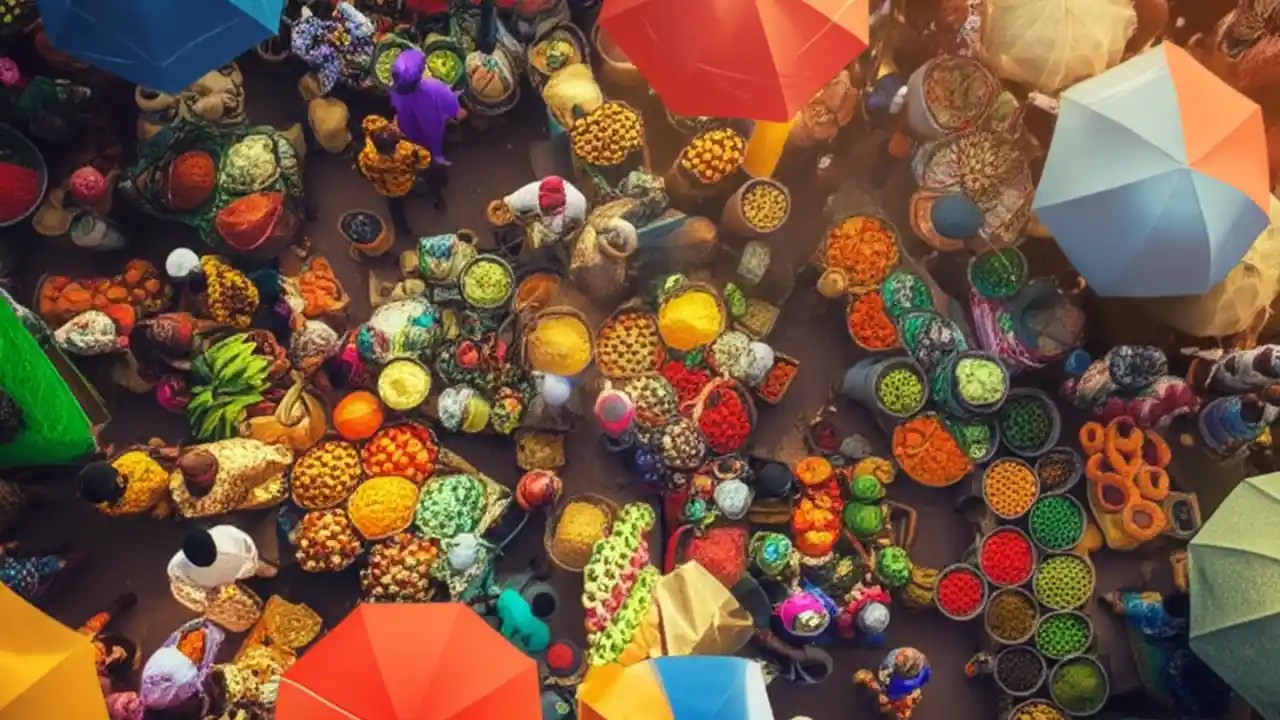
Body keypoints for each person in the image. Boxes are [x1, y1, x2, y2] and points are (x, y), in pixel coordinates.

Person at [390, 48, 466, 211]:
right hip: (432, 136)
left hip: (409, 135)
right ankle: (438, 193)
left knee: (420, 162)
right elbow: (457, 113)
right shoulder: (435, 88)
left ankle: (427, 182)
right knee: (434, 163)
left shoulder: (395, 92)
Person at [168, 438, 293, 519]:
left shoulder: (224, 484)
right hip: (270, 450)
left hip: (274, 478)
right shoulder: (211, 450)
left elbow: (204, 507)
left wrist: (174, 505)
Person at [357, 115, 432, 238]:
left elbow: (368, 121)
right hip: (406, 183)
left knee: (395, 206)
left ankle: (402, 229)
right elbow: (425, 160)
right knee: (419, 187)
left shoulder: (367, 155)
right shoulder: (406, 150)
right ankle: (426, 195)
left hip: (385, 188)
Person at [169, 526, 277, 593]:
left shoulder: (229, 538)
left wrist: (253, 566)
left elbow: (249, 548)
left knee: (251, 566)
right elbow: (181, 581)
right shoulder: (178, 567)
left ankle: (258, 568)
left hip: (242, 567)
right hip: (213, 585)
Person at [79, 445, 174, 518]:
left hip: (153, 486)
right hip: (142, 462)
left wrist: (165, 501)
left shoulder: (151, 485)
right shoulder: (129, 458)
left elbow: (167, 483)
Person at [501, 176, 587, 247]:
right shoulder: (551, 185)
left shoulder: (565, 212)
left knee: (566, 239)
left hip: (578, 211)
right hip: (577, 196)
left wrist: (543, 236)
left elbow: (554, 235)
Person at [0, 541, 84, 603]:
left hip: (30, 565)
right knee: (62, 565)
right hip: (34, 584)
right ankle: (72, 561)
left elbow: (9, 549)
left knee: (47, 557)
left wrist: (8, 547)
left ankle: (65, 556)